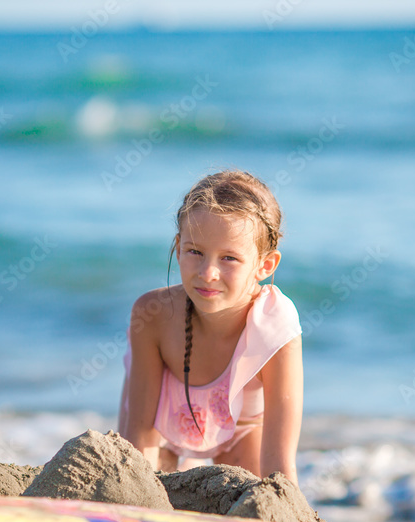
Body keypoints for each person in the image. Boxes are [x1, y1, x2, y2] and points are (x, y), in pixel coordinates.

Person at [118, 170, 304, 484]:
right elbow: (140, 437)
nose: (208, 273)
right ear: (178, 248)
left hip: (242, 431)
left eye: (229, 258)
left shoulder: (275, 328)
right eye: (195, 252)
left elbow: (280, 468)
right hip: (162, 425)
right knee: (142, 478)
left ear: (265, 265)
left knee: (249, 487)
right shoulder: (153, 316)